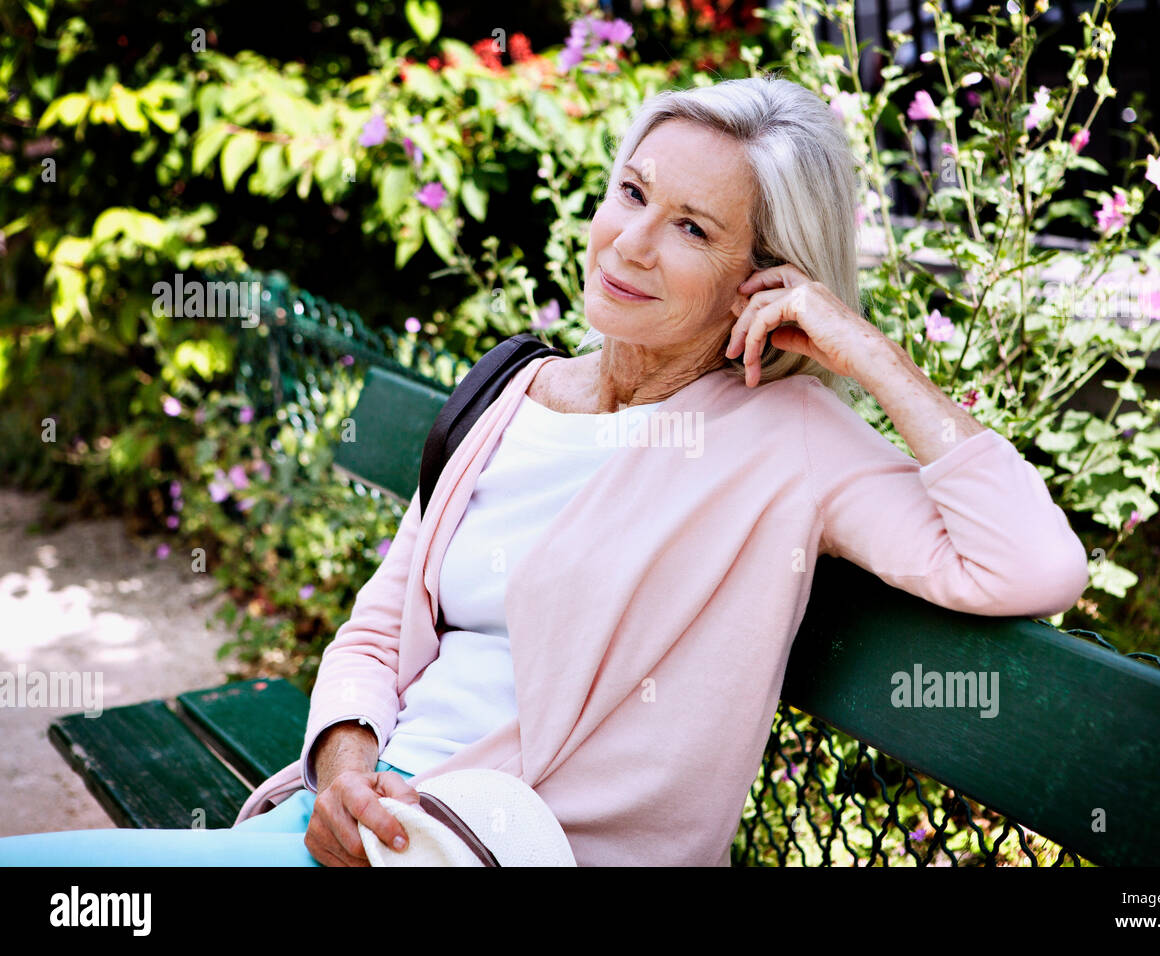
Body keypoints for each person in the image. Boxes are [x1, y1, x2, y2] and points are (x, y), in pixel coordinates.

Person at [0, 73, 1089, 867]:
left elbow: (1028, 565)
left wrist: (865, 351)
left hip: (514, 847)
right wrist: (339, 769)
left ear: (758, 282)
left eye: (691, 228)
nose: (629, 243)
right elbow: (379, 628)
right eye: (630, 193)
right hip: (365, 824)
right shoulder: (511, 391)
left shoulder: (787, 442)